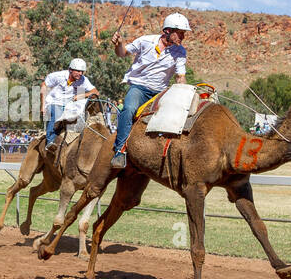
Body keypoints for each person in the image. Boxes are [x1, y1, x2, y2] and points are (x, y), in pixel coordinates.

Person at [109, 12, 190, 169]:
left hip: (161, 92)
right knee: (128, 109)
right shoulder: (145, 41)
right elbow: (122, 53)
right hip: (139, 88)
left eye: (184, 33)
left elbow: (180, 76)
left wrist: (184, 93)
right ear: (167, 31)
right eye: (180, 33)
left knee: (176, 115)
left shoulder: (181, 52)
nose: (183, 37)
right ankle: (120, 151)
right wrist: (118, 44)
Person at [42, 58, 99, 147]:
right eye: (78, 71)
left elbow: (95, 92)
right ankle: (50, 142)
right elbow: (44, 85)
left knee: (83, 117)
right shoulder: (58, 76)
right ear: (70, 70)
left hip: (69, 105)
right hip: (54, 102)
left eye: (82, 71)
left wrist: (81, 96)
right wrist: (42, 106)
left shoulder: (83, 80)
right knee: (57, 113)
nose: (80, 73)